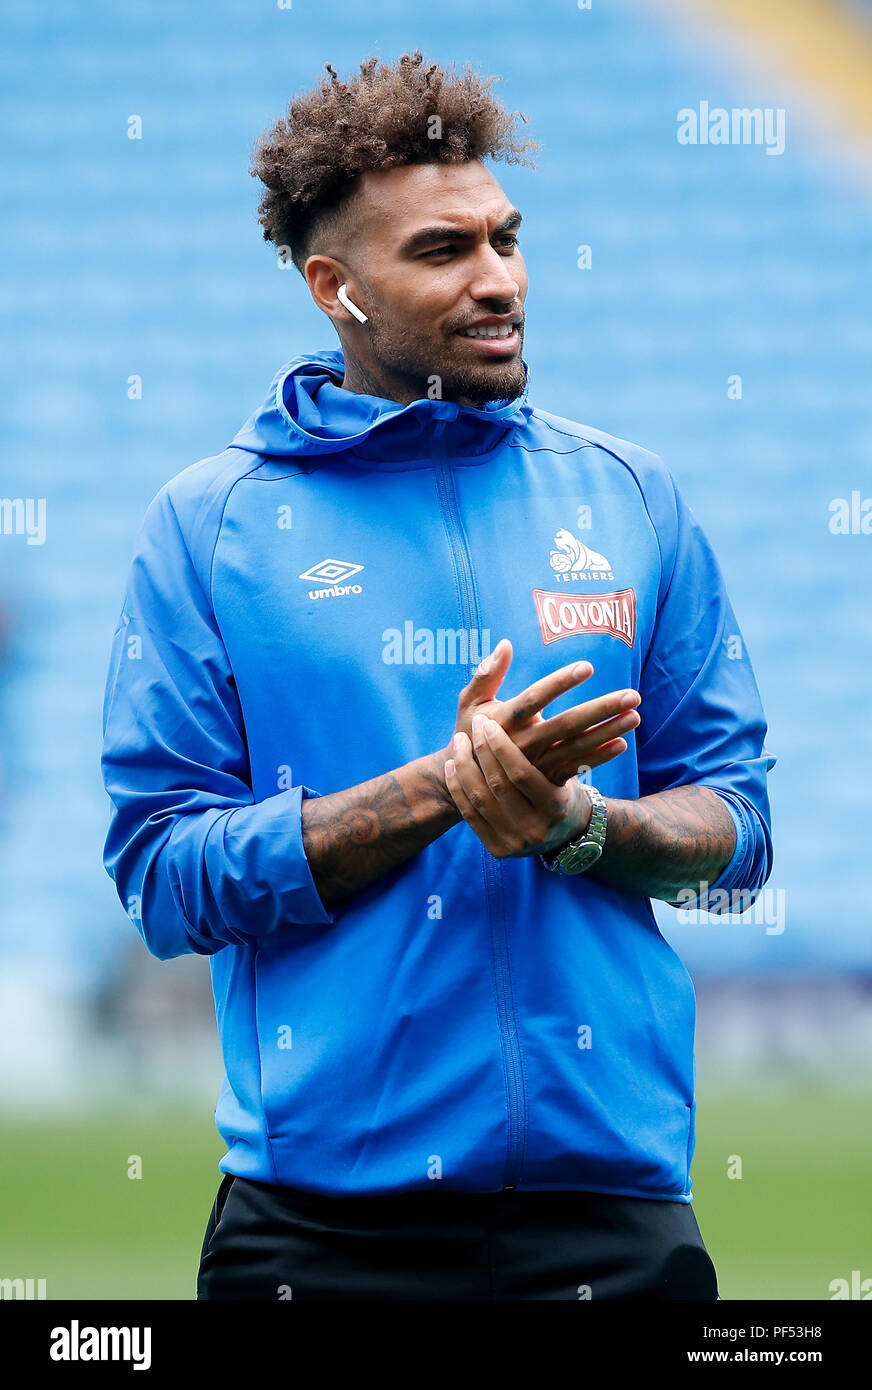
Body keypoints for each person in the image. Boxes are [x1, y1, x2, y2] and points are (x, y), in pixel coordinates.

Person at [101, 51, 774, 1301]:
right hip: (315, 1235)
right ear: (332, 286)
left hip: (612, 1222)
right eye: (442, 251)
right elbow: (161, 877)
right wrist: (436, 794)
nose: (498, 280)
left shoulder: (631, 497)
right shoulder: (210, 526)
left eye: (505, 239)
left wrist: (579, 828)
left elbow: (738, 832)